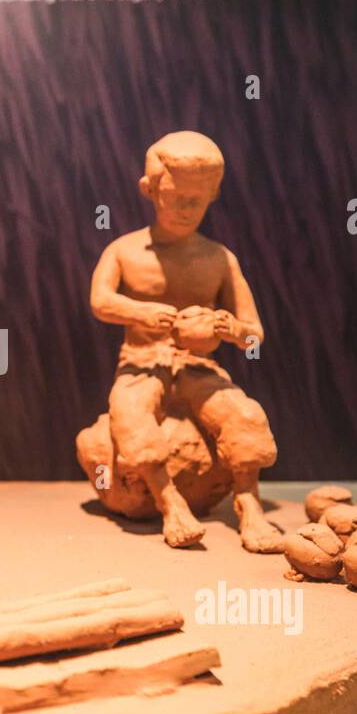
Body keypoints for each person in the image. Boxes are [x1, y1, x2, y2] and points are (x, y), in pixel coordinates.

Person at [89, 131, 282, 552]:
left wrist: (225, 326)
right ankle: (170, 501)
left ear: (213, 196)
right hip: (141, 363)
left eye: (197, 199)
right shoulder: (125, 251)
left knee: (244, 414)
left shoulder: (219, 259)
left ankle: (249, 502)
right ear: (150, 189)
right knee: (130, 417)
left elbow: (254, 331)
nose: (186, 209)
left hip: (198, 366)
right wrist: (141, 312)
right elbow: (100, 301)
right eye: (176, 197)